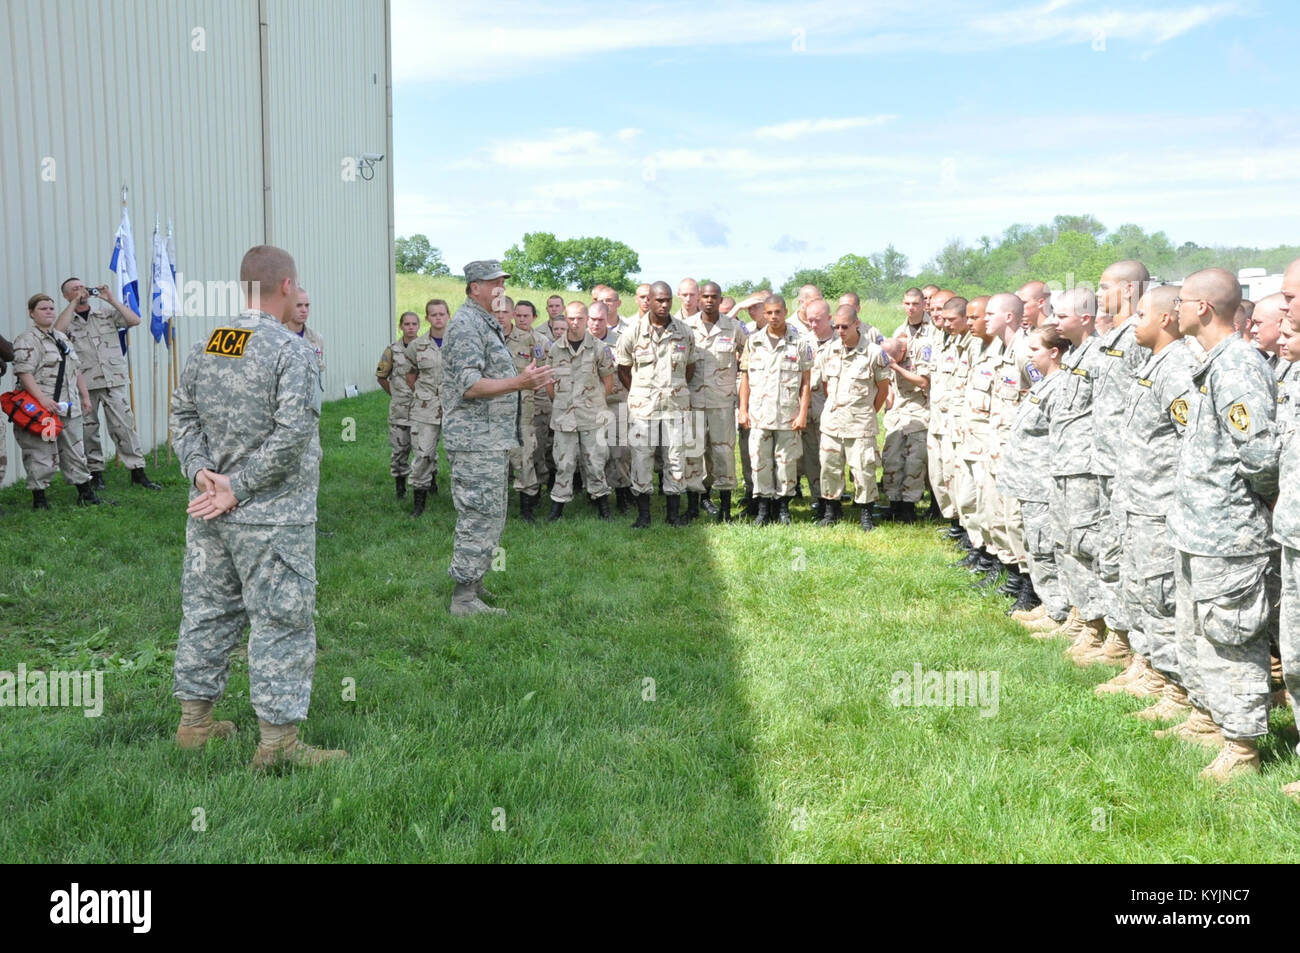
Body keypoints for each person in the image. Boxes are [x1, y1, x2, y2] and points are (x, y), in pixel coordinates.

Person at [170, 244, 345, 769]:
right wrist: (237, 486)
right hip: (271, 515)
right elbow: (294, 434)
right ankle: (278, 746)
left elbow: (182, 417)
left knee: (207, 611)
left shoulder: (209, 345)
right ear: (287, 286)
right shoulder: (292, 350)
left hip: (209, 512)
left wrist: (201, 473)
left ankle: (195, 724)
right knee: (281, 620)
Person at [1161, 268, 1279, 782]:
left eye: (1182, 301)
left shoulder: (1237, 366)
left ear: (1204, 308)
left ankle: (1243, 745)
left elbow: (1260, 455)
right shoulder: (1215, 364)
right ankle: (1211, 718)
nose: (1176, 310)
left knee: (1231, 635)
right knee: (1199, 631)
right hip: (1200, 526)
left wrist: (1251, 509)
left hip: (1229, 532)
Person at [1101, 285, 1196, 713]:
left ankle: (1175, 687)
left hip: (1159, 505)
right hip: (1136, 499)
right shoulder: (1155, 364)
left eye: (1141, 315)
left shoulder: (1177, 368)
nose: (1134, 322)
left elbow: (1191, 438)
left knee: (1162, 595)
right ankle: (1149, 665)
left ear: (1164, 319)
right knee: (1139, 589)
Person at [440, 260, 551, 615]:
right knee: (477, 516)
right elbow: (470, 385)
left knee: (490, 515)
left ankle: (475, 584)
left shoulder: (484, 323)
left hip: (490, 440)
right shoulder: (465, 326)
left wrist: (523, 377)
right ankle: (463, 599)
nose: (500, 289)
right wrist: (519, 383)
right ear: (475, 288)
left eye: (503, 282)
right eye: (494, 283)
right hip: (474, 441)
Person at [1044, 288, 1109, 658]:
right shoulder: (1073, 357)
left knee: (1087, 546)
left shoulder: (1099, 356)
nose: (1054, 321)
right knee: (1067, 544)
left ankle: (1098, 626)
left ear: (1084, 318)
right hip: (1065, 466)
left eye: (1062, 315)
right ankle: (1079, 615)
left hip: (1084, 469)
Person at [55, 277, 161, 490]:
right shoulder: (67, 319)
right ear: (66, 296)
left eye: (82, 286)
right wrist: (73, 304)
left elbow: (134, 320)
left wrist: (111, 299)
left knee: (124, 426)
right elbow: (57, 332)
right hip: (84, 382)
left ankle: (137, 471)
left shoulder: (104, 313)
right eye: (74, 289)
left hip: (113, 379)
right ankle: (95, 473)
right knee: (88, 429)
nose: (81, 291)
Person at [1000, 324, 1071, 631]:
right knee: (1035, 547)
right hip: (1029, 484)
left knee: (1046, 548)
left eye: (1034, 350)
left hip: (1043, 485)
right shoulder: (1044, 384)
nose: (1029, 356)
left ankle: (1059, 612)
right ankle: (1048, 604)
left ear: (1054, 353)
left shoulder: (1061, 386)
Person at [616, 281, 696, 528]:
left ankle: (673, 515)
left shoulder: (684, 331)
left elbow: (689, 367)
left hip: (675, 407)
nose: (664, 304)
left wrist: (675, 389)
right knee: (642, 457)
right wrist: (641, 393)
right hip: (644, 410)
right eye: (659, 300)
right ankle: (644, 516)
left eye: (668, 300)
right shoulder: (633, 331)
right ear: (648, 301)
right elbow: (623, 368)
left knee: (675, 457)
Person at [11, 294, 101, 508]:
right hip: (44, 410)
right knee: (40, 452)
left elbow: (75, 368)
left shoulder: (61, 337)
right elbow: (24, 373)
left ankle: (85, 494)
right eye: (43, 308)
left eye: (51, 308)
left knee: (75, 450)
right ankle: (39, 499)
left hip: (69, 407)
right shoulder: (27, 339)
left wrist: (85, 396)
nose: (49, 311)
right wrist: (42, 399)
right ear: (32, 313)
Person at [814, 307, 890, 529]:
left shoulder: (874, 353)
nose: (840, 331)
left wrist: (865, 412)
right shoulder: (830, 350)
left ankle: (866, 513)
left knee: (863, 469)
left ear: (857, 324)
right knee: (829, 467)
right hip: (832, 422)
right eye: (836, 326)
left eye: (844, 326)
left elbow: (883, 390)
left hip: (860, 423)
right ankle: (831, 510)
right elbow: (828, 385)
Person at [738, 294, 810, 525]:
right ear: (763, 314)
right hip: (759, 414)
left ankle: (783, 508)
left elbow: (806, 381)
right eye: (768, 313)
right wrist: (743, 410)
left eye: (777, 312)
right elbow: (745, 377)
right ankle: (763, 508)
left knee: (786, 463)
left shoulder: (799, 343)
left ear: (785, 311)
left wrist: (802, 413)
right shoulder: (754, 341)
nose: (773, 317)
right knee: (759, 462)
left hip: (787, 415)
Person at [683, 281, 747, 522]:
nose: (709, 300)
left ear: (721, 300)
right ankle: (692, 506)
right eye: (705, 296)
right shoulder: (686, 327)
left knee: (724, 454)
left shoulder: (734, 328)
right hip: (693, 403)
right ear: (699, 299)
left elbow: (749, 358)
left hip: (722, 403)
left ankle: (725, 511)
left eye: (714, 296)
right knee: (693, 453)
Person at [546, 301, 615, 520]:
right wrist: (562, 402)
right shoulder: (555, 349)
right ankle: (557, 508)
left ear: (587, 319)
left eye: (579, 318)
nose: (574, 323)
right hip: (564, 416)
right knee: (564, 462)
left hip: (591, 416)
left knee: (595, 462)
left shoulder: (598, 348)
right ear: (564, 319)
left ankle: (603, 505)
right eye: (570, 318)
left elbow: (608, 381)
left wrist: (593, 403)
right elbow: (549, 382)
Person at [881, 288, 936, 522]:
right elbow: (890, 379)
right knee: (892, 454)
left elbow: (925, 381)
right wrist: (889, 398)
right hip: (900, 407)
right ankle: (894, 502)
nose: (911, 308)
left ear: (924, 304)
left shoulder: (932, 333)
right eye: (907, 303)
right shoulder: (899, 332)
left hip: (921, 407)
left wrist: (895, 366)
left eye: (915, 303)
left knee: (914, 458)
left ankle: (910, 505)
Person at [589, 299, 631, 511]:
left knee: (620, 451)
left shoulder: (621, 341)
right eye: (592, 319)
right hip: (589, 406)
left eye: (600, 320)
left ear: (608, 320)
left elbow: (630, 370)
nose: (596, 324)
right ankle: (597, 496)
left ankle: (623, 494)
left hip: (616, 403)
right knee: (593, 452)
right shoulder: (580, 342)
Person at [406, 301, 447, 516]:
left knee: (459, 455)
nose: (438, 318)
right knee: (423, 454)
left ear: (448, 316)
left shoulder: (460, 343)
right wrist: (422, 394)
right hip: (425, 407)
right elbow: (411, 373)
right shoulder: (417, 345)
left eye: (442, 314)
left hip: (454, 408)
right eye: (434, 314)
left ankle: (462, 501)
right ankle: (419, 504)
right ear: (427, 318)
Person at [797, 299, 836, 513]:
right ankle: (818, 498)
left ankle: (834, 500)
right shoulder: (804, 342)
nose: (813, 325)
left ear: (829, 318)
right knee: (811, 457)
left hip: (830, 411)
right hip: (809, 409)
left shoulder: (841, 341)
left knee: (830, 459)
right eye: (809, 320)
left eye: (817, 320)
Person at [376, 311, 419, 500]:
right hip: (400, 409)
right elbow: (381, 376)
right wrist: (395, 394)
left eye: (414, 324)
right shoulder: (392, 350)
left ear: (419, 326)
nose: (410, 327)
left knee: (425, 450)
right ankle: (400, 488)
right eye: (407, 324)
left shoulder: (426, 348)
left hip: (422, 409)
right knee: (400, 449)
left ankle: (429, 484)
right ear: (401, 326)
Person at [285, 288, 325, 377]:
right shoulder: (278, 337)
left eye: (306, 305)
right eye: (298, 305)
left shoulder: (316, 338)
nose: (304, 310)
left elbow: (319, 371)